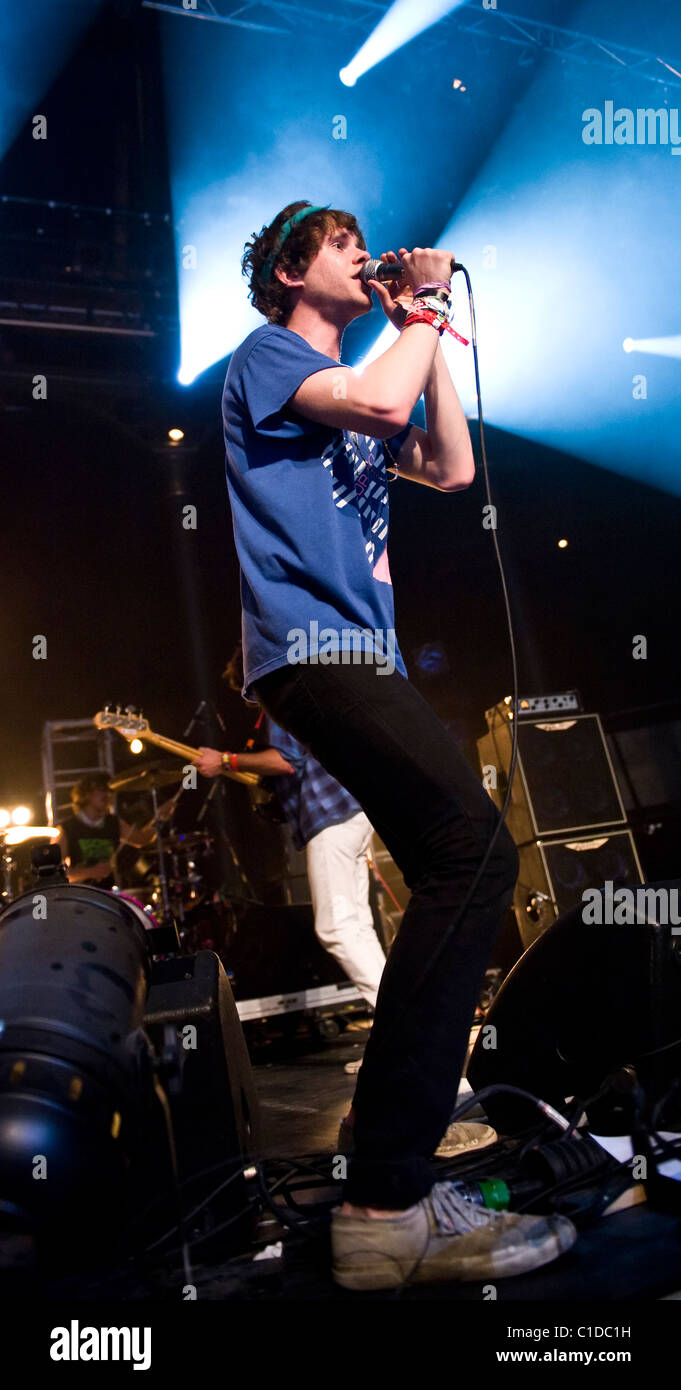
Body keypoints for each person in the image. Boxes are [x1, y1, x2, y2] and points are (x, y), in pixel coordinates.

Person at [219, 201, 576, 1289]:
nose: (361, 253)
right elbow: (378, 395)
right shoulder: (269, 356)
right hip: (309, 645)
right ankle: (384, 1199)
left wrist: (433, 334)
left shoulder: (372, 365)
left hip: (354, 651)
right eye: (337, 244)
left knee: (450, 864)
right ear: (288, 270)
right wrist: (415, 308)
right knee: (475, 851)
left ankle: (391, 1191)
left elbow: (449, 463)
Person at [194, 643, 387, 1008]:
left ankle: (401, 1023)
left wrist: (225, 760)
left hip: (330, 818)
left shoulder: (277, 694)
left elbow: (286, 761)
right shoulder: (307, 683)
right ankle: (396, 1017)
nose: (249, 700)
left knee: (336, 928)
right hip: (353, 808)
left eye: (245, 691)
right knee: (357, 923)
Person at [58, 773, 173, 888]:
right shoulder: (67, 829)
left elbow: (142, 839)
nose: (107, 794)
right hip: (82, 896)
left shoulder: (113, 823)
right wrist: (90, 871)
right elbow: (56, 873)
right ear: (84, 794)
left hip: (112, 894)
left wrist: (159, 819)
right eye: (101, 789)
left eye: (108, 791)